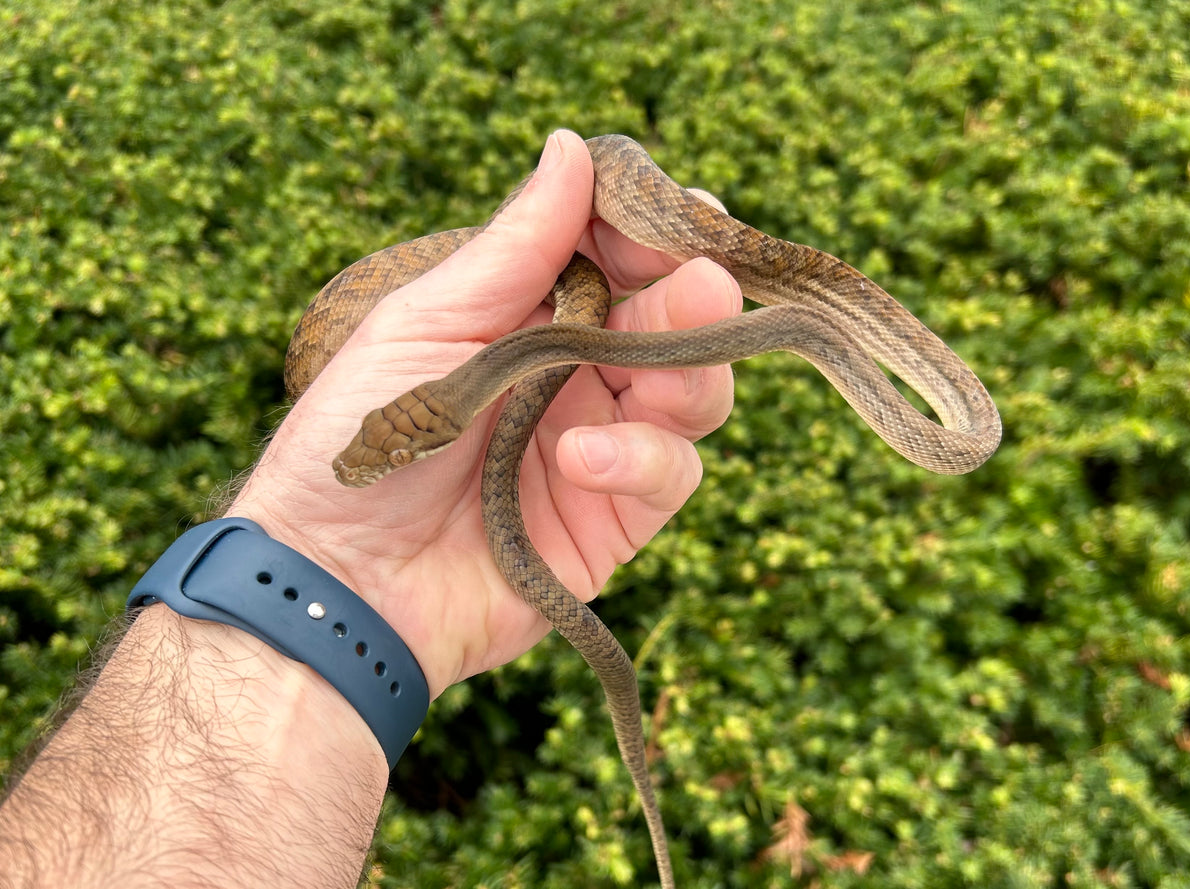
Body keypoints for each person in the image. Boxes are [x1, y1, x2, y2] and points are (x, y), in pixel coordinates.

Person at [0, 130, 741, 888]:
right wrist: (329, 563)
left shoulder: (556, 308)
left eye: (389, 453)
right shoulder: (439, 374)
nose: (366, 469)